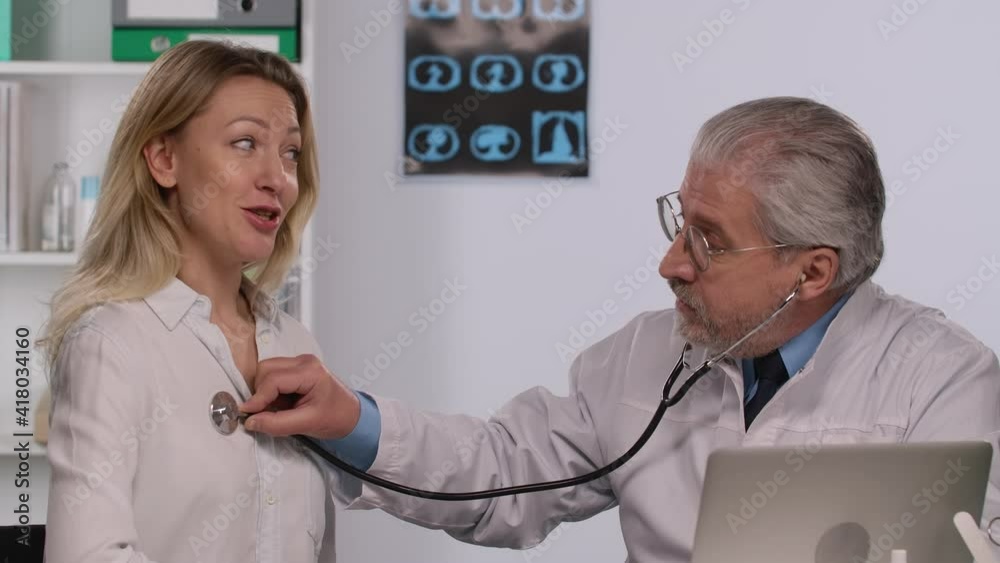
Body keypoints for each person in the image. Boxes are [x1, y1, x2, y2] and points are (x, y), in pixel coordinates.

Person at [240, 97, 1000, 563]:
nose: (671, 262)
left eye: (709, 239)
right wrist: (353, 423)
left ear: (811, 273)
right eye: (680, 221)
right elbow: (508, 472)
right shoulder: (648, 352)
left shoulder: (942, 383)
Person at [38, 40, 337, 562]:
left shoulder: (295, 343)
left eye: (290, 152)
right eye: (245, 143)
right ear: (163, 159)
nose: (277, 179)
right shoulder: (112, 344)